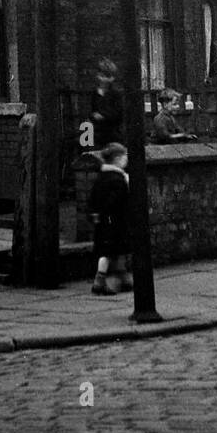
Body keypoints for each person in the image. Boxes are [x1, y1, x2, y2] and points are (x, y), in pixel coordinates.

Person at [88, 142, 132, 295]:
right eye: (125, 157)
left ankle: (124, 279)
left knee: (114, 251)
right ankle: (99, 282)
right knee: (110, 252)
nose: (126, 160)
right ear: (117, 159)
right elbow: (117, 201)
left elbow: (93, 198)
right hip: (115, 221)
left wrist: (95, 214)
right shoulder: (118, 179)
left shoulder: (102, 176)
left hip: (104, 221)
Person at [88, 57, 123, 146]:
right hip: (97, 130)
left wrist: (103, 116)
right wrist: (94, 116)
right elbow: (92, 111)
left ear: (112, 78)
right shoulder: (95, 93)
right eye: (101, 76)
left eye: (106, 76)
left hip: (112, 130)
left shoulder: (115, 93)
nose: (103, 79)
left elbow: (118, 113)